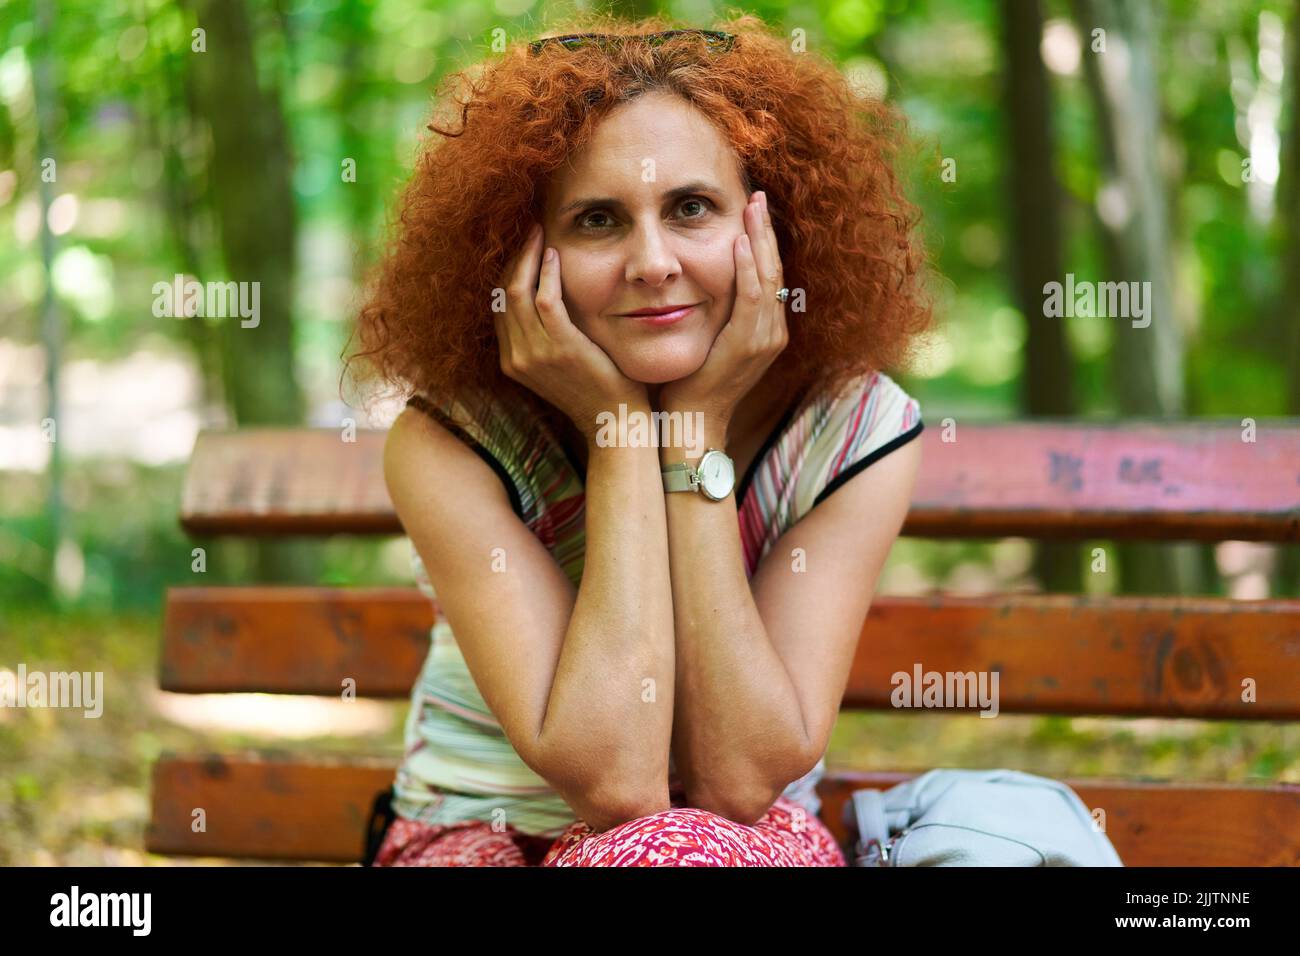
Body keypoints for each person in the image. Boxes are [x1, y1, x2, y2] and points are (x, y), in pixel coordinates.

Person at [343, 12, 933, 867]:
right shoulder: (452, 440)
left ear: (770, 227)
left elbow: (736, 784)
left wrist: (694, 433)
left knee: (680, 850)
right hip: (484, 838)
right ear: (522, 250)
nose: (652, 261)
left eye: (691, 208)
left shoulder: (857, 430)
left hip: (743, 842)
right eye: (597, 220)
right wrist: (619, 434)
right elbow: (617, 783)